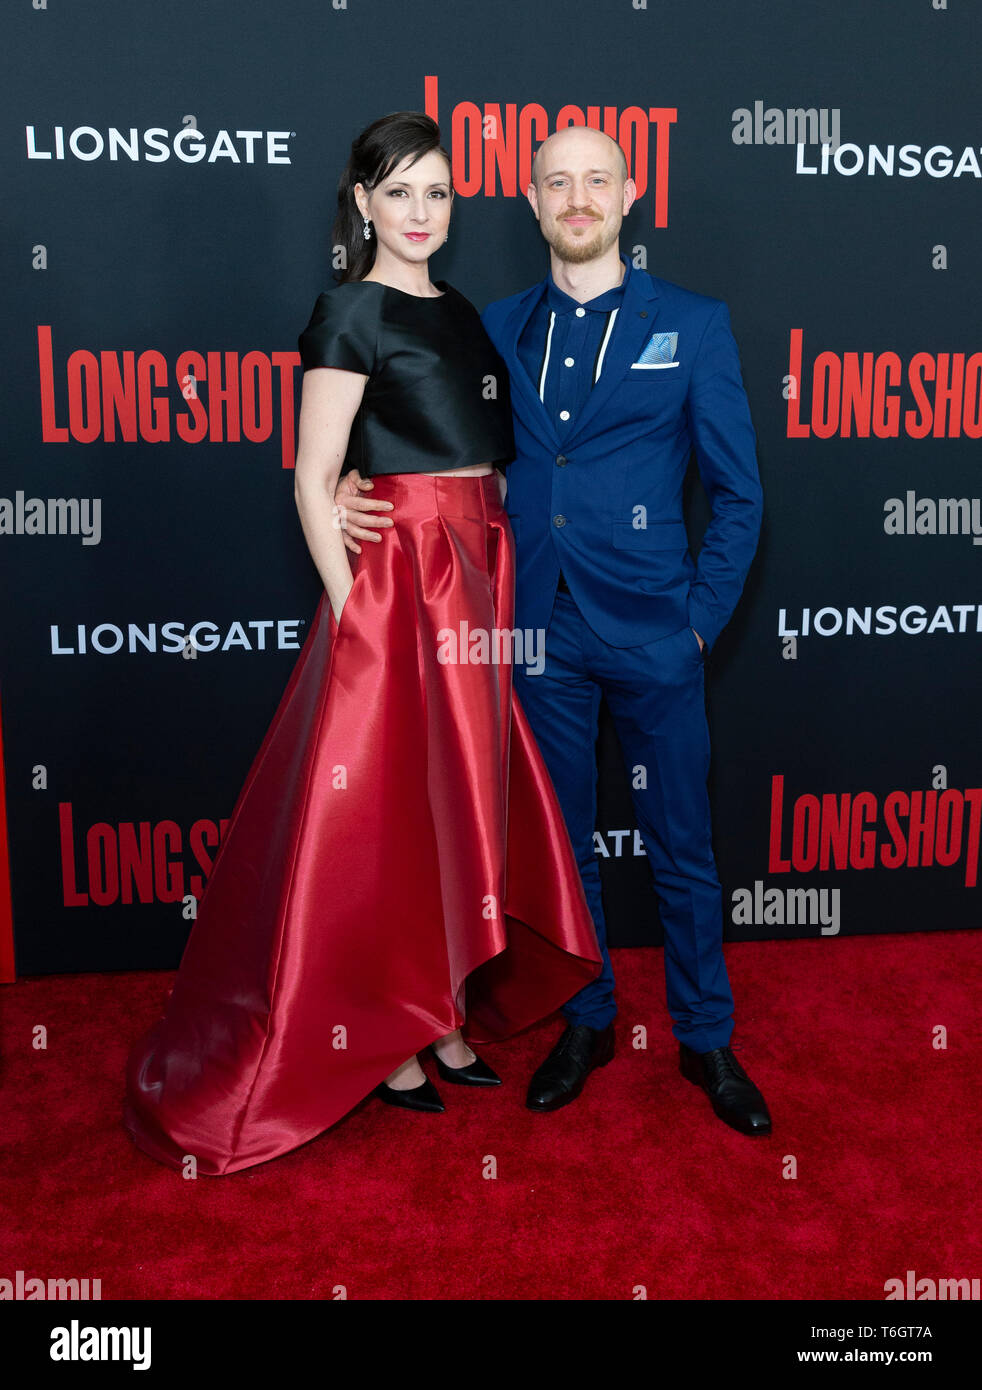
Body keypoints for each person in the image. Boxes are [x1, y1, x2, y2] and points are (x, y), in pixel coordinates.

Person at [122, 112, 602, 1176]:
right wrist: (353, 611)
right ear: (362, 204)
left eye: (437, 193)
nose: (421, 213)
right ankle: (378, 1041)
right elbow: (310, 474)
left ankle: (436, 1015)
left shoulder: (468, 316)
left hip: (479, 573)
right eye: (400, 193)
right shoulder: (348, 312)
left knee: (452, 803)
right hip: (400, 591)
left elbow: (474, 456)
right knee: (381, 818)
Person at [337, 125, 771, 1137]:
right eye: (556, 183)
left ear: (629, 197)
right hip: (534, 637)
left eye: (596, 181)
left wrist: (698, 626)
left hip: (657, 633)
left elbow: (739, 497)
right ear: (531, 204)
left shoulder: (695, 325)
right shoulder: (493, 326)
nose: (577, 199)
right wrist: (356, 483)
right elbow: (436, 444)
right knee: (561, 845)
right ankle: (587, 1019)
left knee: (683, 846)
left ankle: (706, 1037)